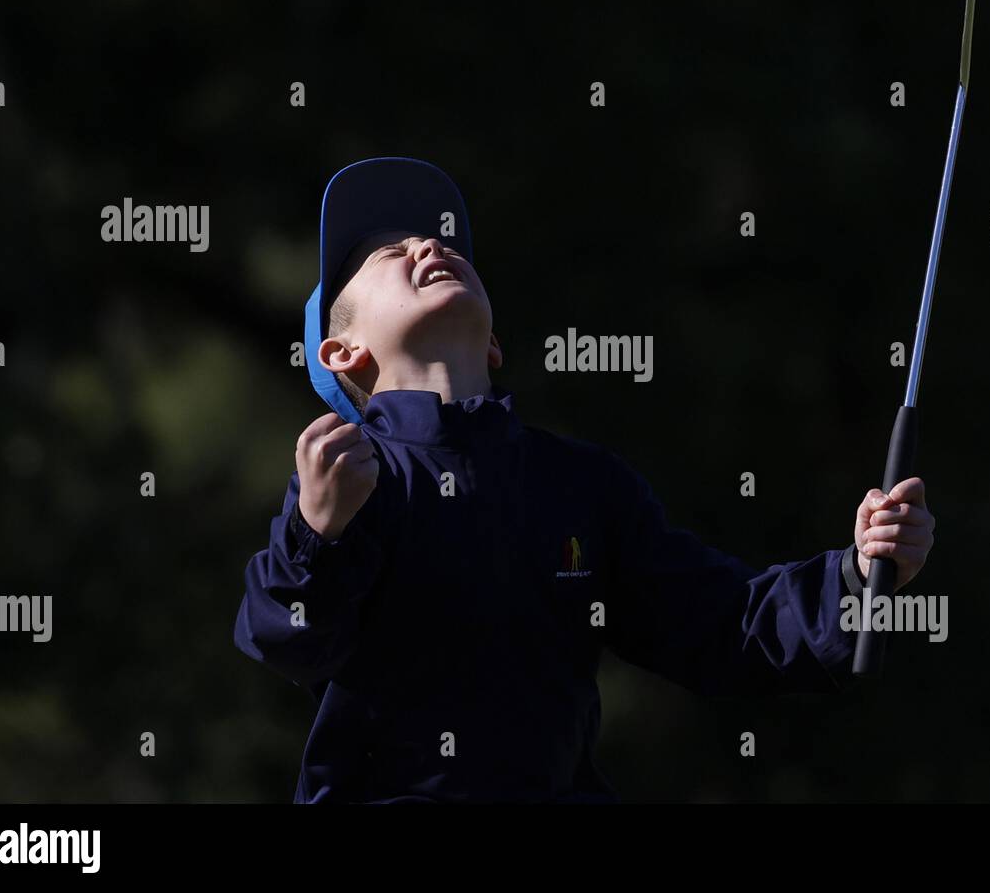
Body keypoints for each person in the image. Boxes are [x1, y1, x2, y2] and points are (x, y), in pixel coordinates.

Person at [234, 157, 935, 802]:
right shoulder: (346, 483)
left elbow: (722, 627)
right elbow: (289, 641)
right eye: (389, 251)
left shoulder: (583, 485)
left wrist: (855, 578)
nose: (429, 246)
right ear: (341, 350)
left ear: (494, 342)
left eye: (441, 243)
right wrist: (317, 535)